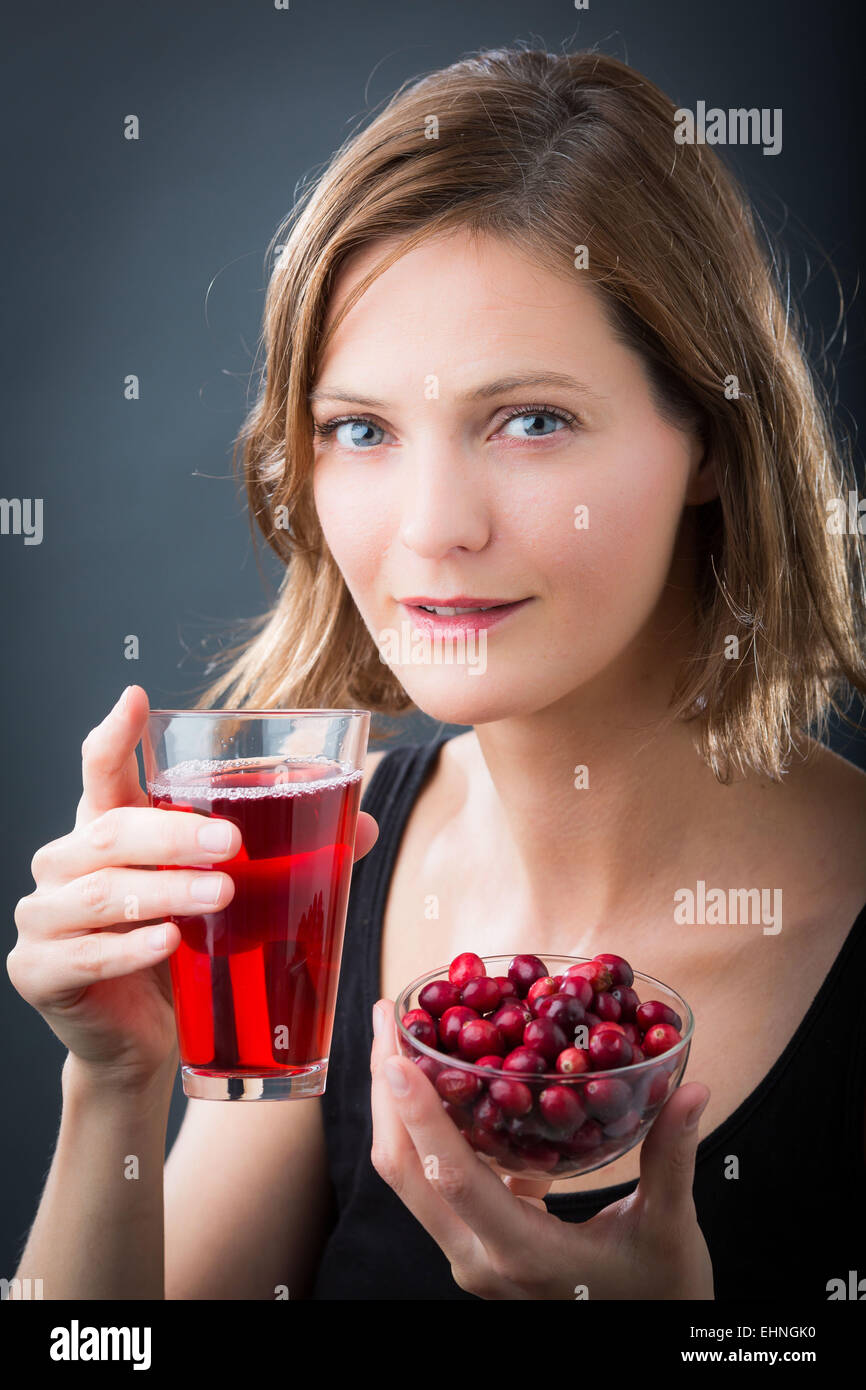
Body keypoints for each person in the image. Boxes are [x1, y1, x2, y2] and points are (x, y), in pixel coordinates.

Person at [8, 46, 866, 1301]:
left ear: (712, 443)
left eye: (529, 420)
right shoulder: (325, 875)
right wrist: (116, 1087)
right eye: (360, 430)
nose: (430, 526)